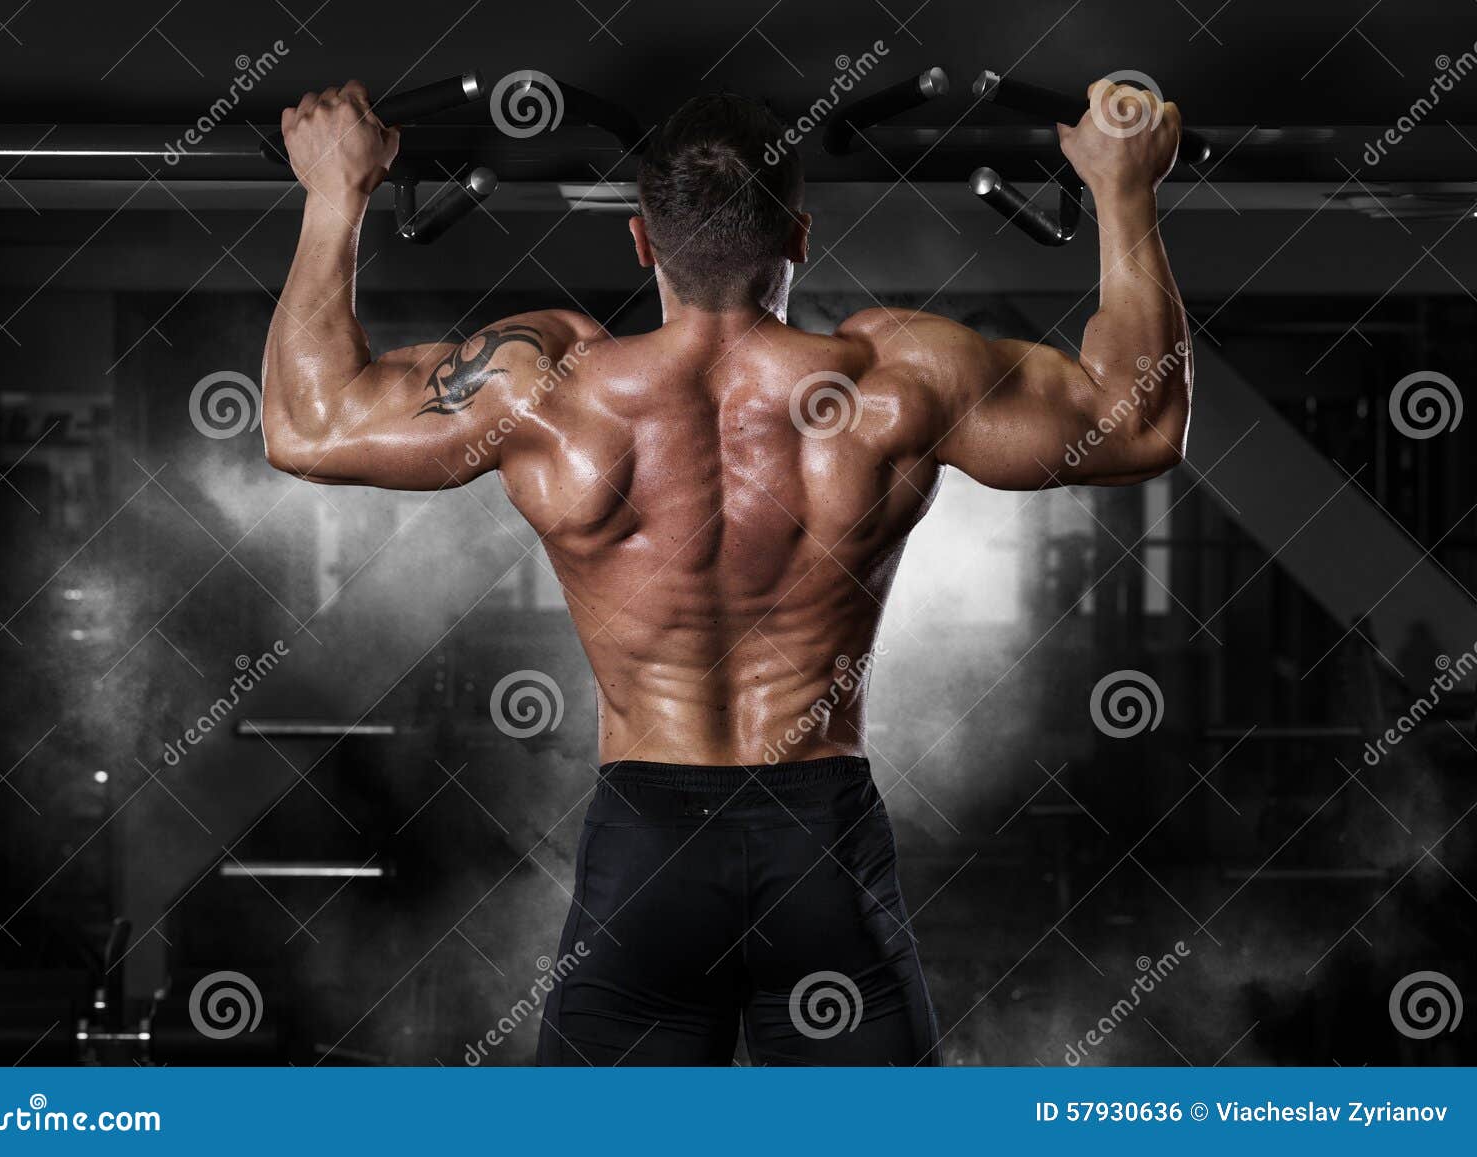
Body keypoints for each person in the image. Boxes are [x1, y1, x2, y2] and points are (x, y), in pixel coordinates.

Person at [262, 77, 1191, 1065]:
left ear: (640, 241)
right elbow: (1140, 421)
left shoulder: (554, 391)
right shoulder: (891, 379)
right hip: (819, 839)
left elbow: (305, 424)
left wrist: (335, 191)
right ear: (798, 234)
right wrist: (1122, 189)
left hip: (645, 850)